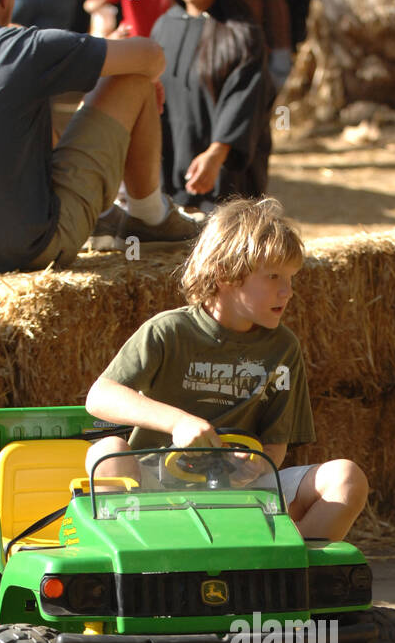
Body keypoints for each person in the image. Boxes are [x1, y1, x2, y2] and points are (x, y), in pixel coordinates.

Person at [85, 197, 368, 542]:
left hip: (241, 490)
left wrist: (255, 464)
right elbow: (100, 397)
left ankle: (288, 574)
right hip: (156, 489)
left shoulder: (283, 348)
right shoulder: (169, 331)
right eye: (274, 276)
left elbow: (275, 445)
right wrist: (179, 423)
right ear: (225, 274)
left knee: (346, 478)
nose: (288, 291)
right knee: (106, 451)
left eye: (292, 277)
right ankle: (134, 560)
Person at [0, 0, 201, 275]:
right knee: (134, 79)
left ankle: (105, 218)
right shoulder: (27, 48)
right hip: (28, 252)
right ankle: (149, 219)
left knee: (16, 109)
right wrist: (145, 75)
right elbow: (151, 55)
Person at [148, 0, 275, 216]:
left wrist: (218, 152)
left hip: (224, 182)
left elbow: (246, 99)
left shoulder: (242, 32)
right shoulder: (164, 26)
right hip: (171, 178)